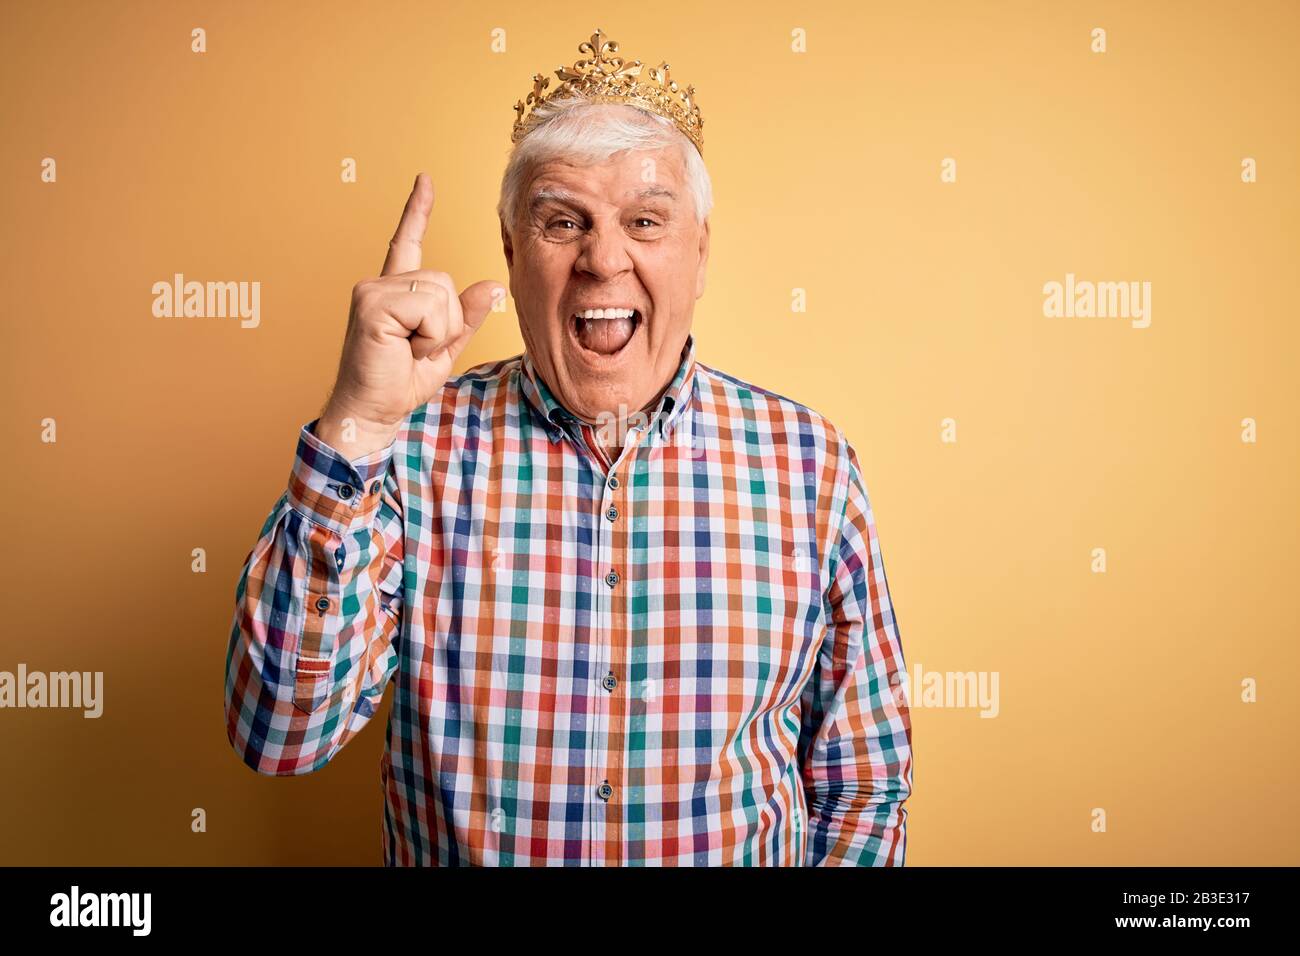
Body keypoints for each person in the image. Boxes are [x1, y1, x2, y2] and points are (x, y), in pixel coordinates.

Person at [224, 28, 911, 866]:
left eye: (647, 221)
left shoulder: (812, 466)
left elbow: (864, 780)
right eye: (562, 223)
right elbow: (279, 735)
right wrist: (358, 427)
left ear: (700, 255)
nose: (604, 259)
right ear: (513, 256)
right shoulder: (408, 454)